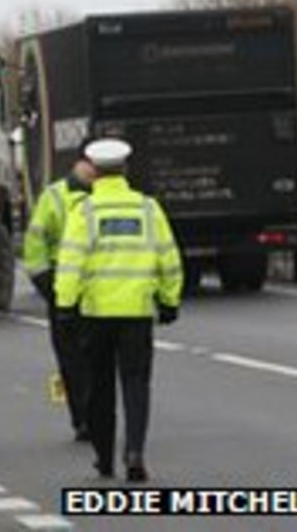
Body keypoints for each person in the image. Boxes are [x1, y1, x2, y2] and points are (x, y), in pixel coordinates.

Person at [54, 138, 182, 482]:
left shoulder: (85, 212)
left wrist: (65, 306)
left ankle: (104, 459)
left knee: (99, 388)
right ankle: (135, 451)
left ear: (93, 172)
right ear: (126, 169)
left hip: (95, 315)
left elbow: (70, 263)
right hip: (137, 314)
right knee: (136, 384)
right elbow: (168, 258)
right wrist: (169, 300)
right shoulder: (147, 209)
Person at [23, 145, 97, 442]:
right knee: (70, 358)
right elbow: (35, 244)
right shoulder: (54, 196)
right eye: (91, 164)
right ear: (79, 163)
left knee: (97, 358)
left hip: (100, 289)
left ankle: (97, 416)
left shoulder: (109, 196)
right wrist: (47, 285)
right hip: (62, 288)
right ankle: (81, 418)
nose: (95, 171)